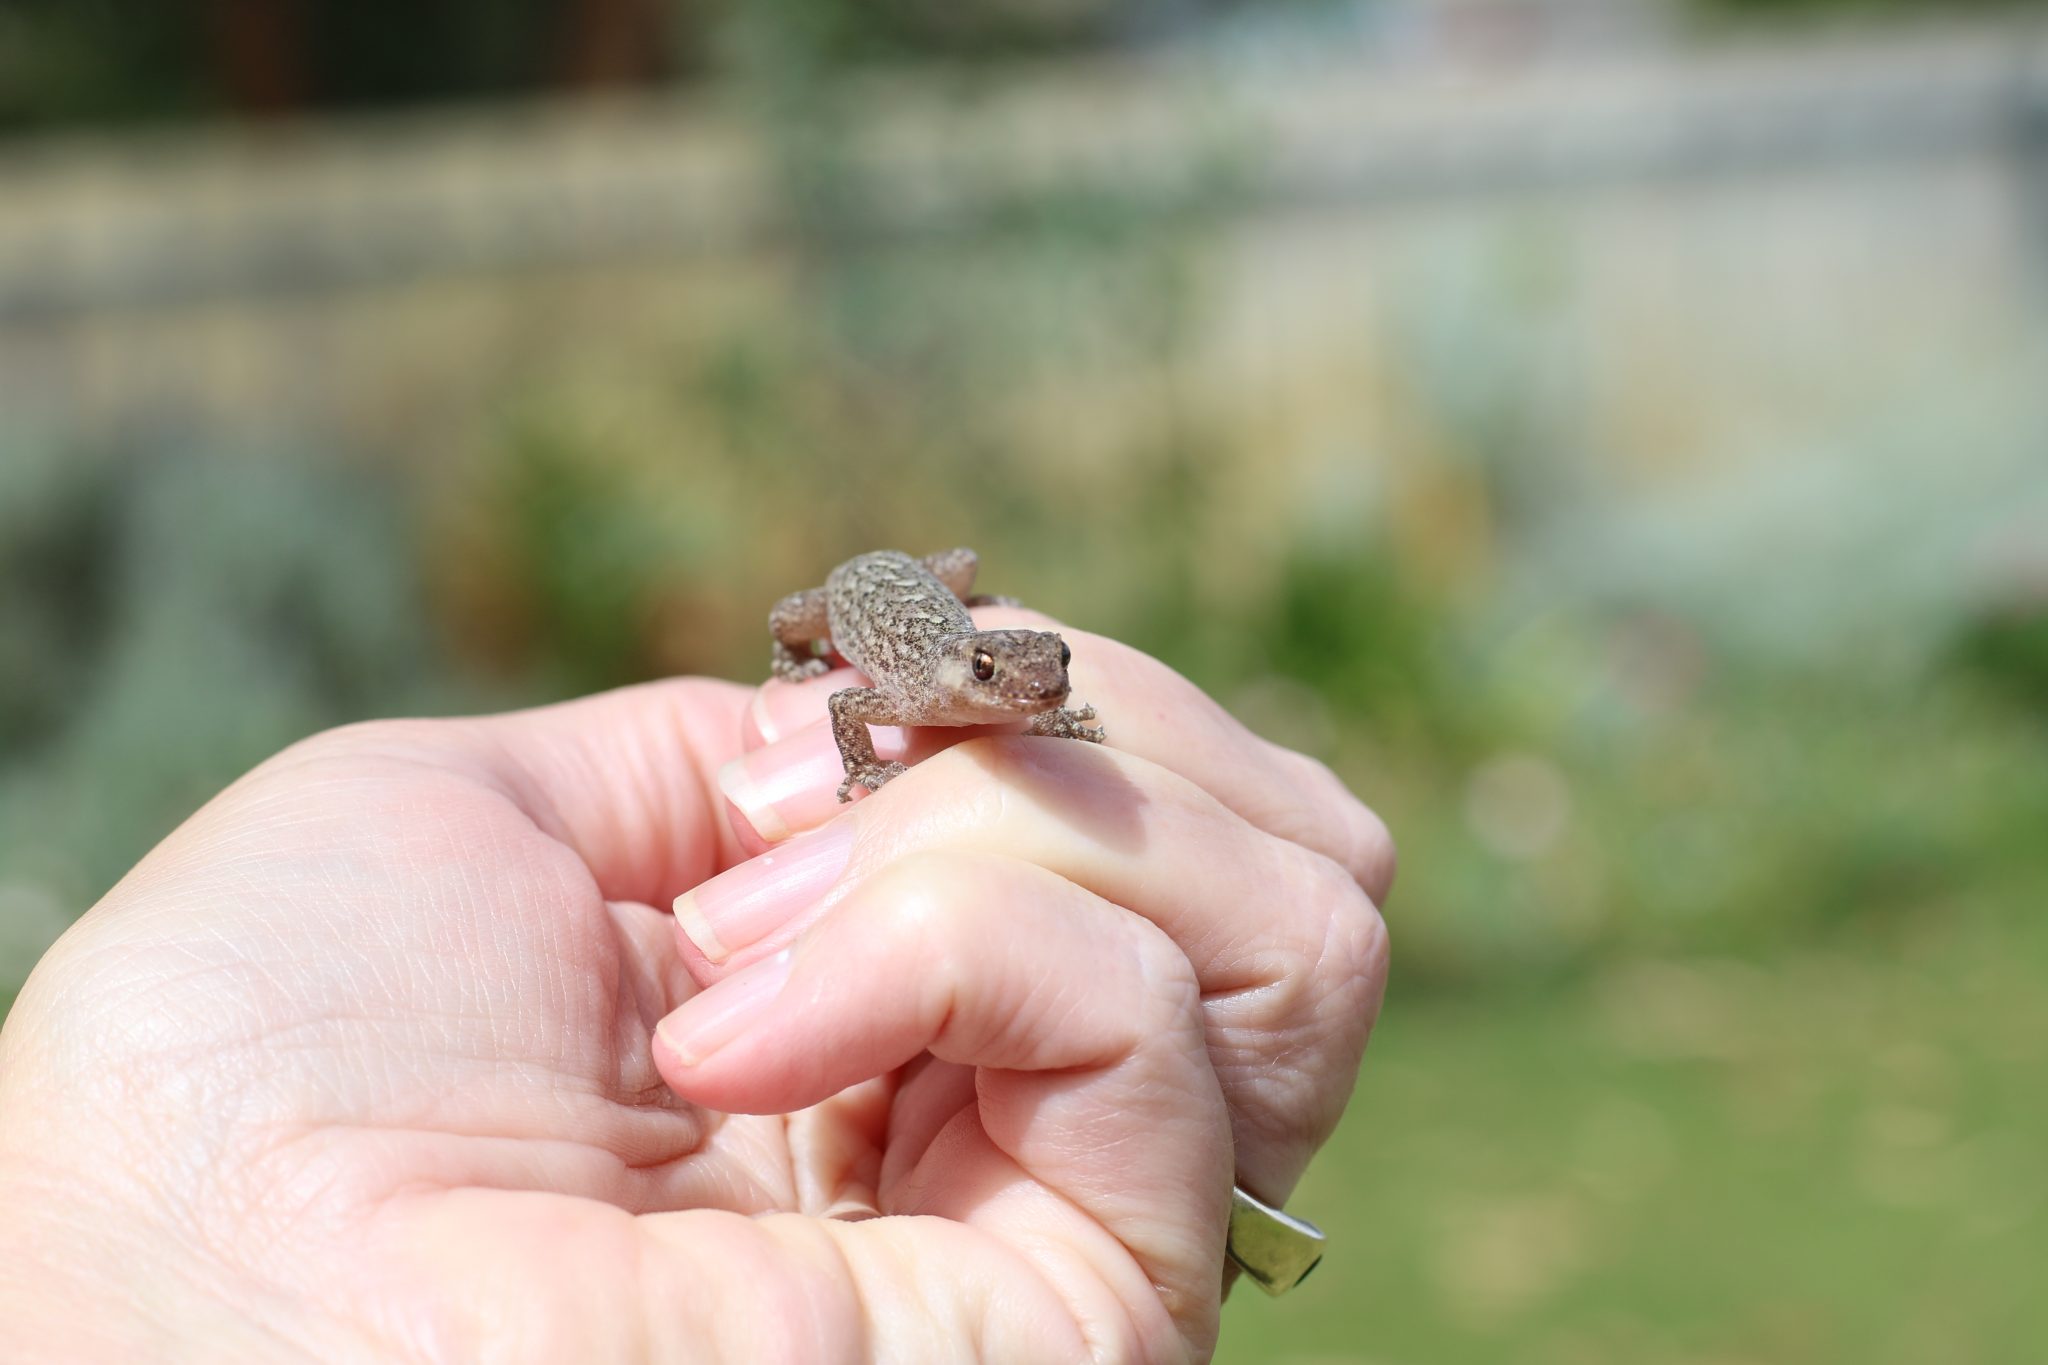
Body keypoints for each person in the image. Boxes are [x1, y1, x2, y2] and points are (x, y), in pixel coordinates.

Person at [0, 610, 1392, 1362]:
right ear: (945, 661)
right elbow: (851, 701)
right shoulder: (889, 673)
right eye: (999, 673)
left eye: (1044, 683)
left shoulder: (987, 679)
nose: (1028, 693)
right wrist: (153, 1261)